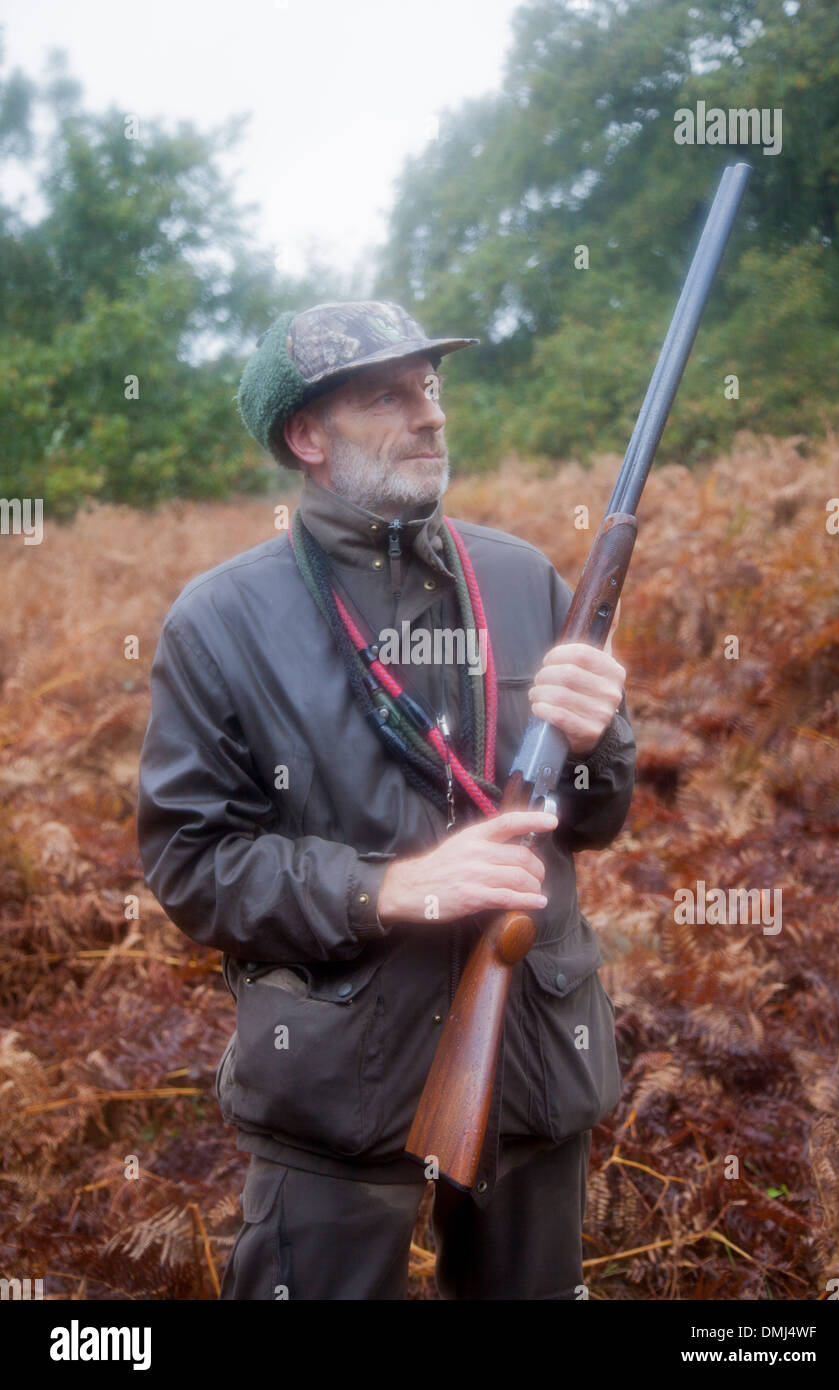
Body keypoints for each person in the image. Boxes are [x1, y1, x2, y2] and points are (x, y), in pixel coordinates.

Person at [137, 299, 636, 1300]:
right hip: (335, 1085)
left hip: (532, 1060)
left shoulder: (523, 578)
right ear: (306, 435)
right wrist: (391, 889)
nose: (429, 414)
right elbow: (192, 864)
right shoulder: (222, 620)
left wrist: (594, 745)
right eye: (386, 395)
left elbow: (590, 817)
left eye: (431, 387)